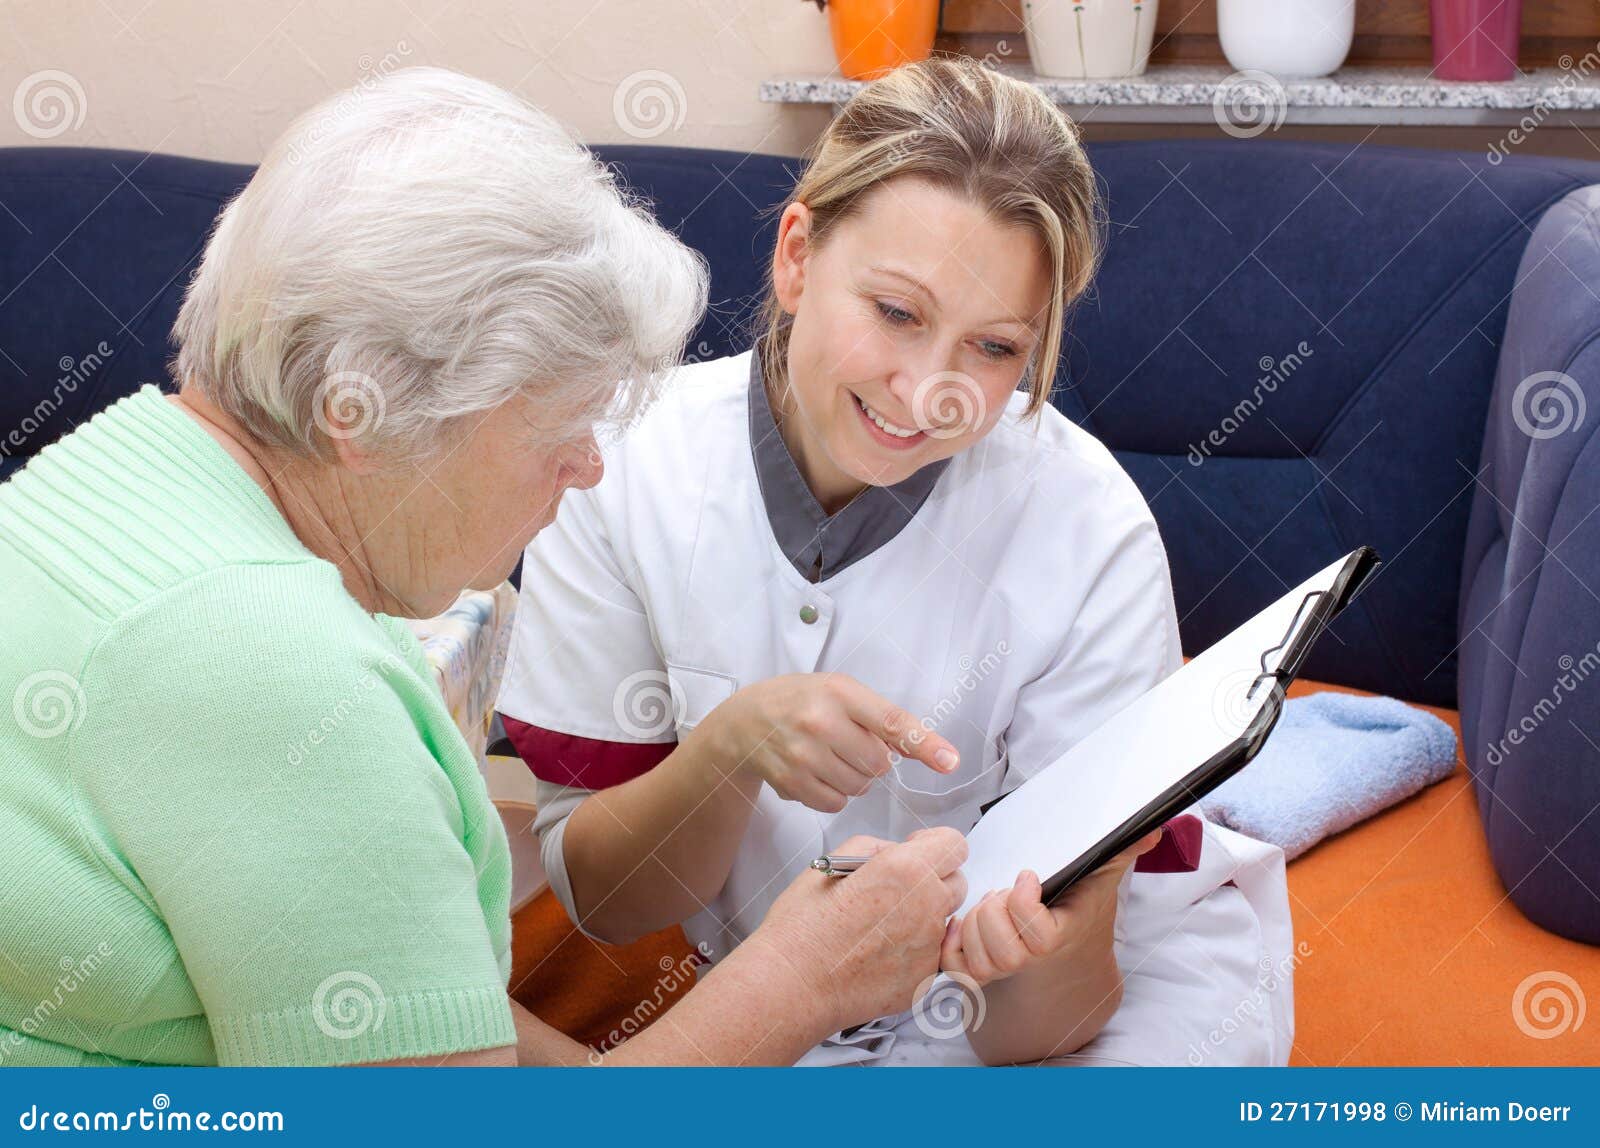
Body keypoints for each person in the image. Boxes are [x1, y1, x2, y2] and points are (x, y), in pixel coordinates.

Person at [0, 67, 968, 1067]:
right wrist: (806, 979)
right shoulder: (275, 671)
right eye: (555, 422)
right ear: (359, 414)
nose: (588, 465)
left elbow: (389, 1005)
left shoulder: (109, 472)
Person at [499, 57, 1296, 1067]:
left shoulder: (1090, 531)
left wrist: (1021, 953)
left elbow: (1050, 1017)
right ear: (796, 255)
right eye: (896, 313)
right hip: (789, 1000)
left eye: (994, 347)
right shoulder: (617, 469)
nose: (931, 396)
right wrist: (727, 749)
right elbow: (611, 906)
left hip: (1099, 1012)